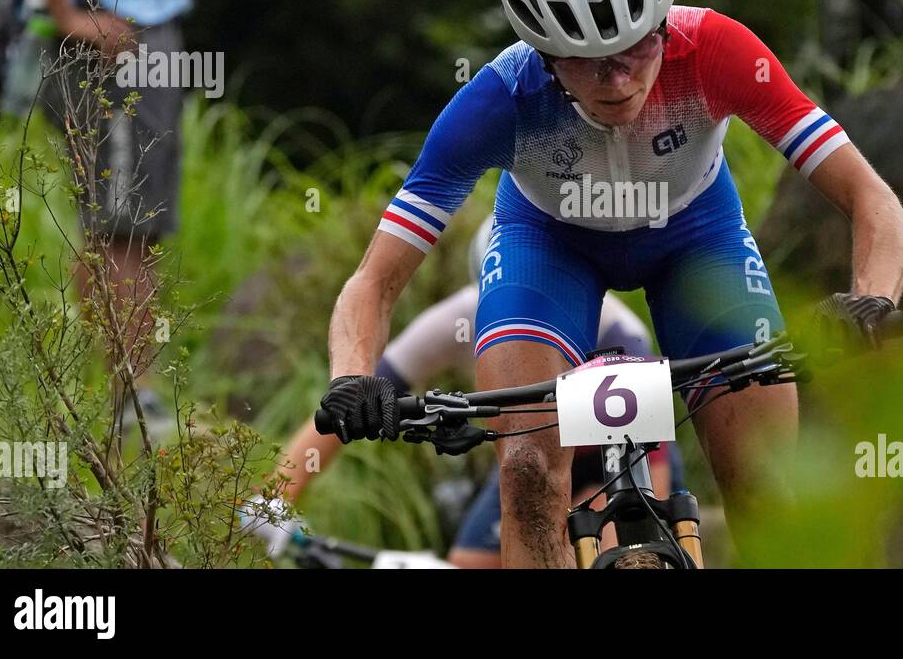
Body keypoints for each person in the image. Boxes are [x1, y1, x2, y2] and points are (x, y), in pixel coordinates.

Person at [319, 0, 903, 568]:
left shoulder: (717, 50)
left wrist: (873, 297)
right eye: (587, 60)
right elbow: (374, 281)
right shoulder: (500, 100)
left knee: (769, 486)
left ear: (663, 20)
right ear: (541, 53)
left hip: (696, 237)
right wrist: (350, 377)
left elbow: (873, 200)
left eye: (636, 46)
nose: (620, 77)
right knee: (530, 475)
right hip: (549, 247)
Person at [256, 218, 684, 568]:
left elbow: (651, 454)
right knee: (467, 563)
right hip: (534, 447)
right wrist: (272, 501)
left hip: (621, 452)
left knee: (625, 554)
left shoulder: (617, 330)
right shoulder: (453, 320)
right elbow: (351, 408)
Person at [3, 0, 194, 422]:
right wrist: (65, 13)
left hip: (149, 21)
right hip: (106, 25)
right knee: (119, 221)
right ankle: (130, 399)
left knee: (143, 222)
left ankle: (140, 392)